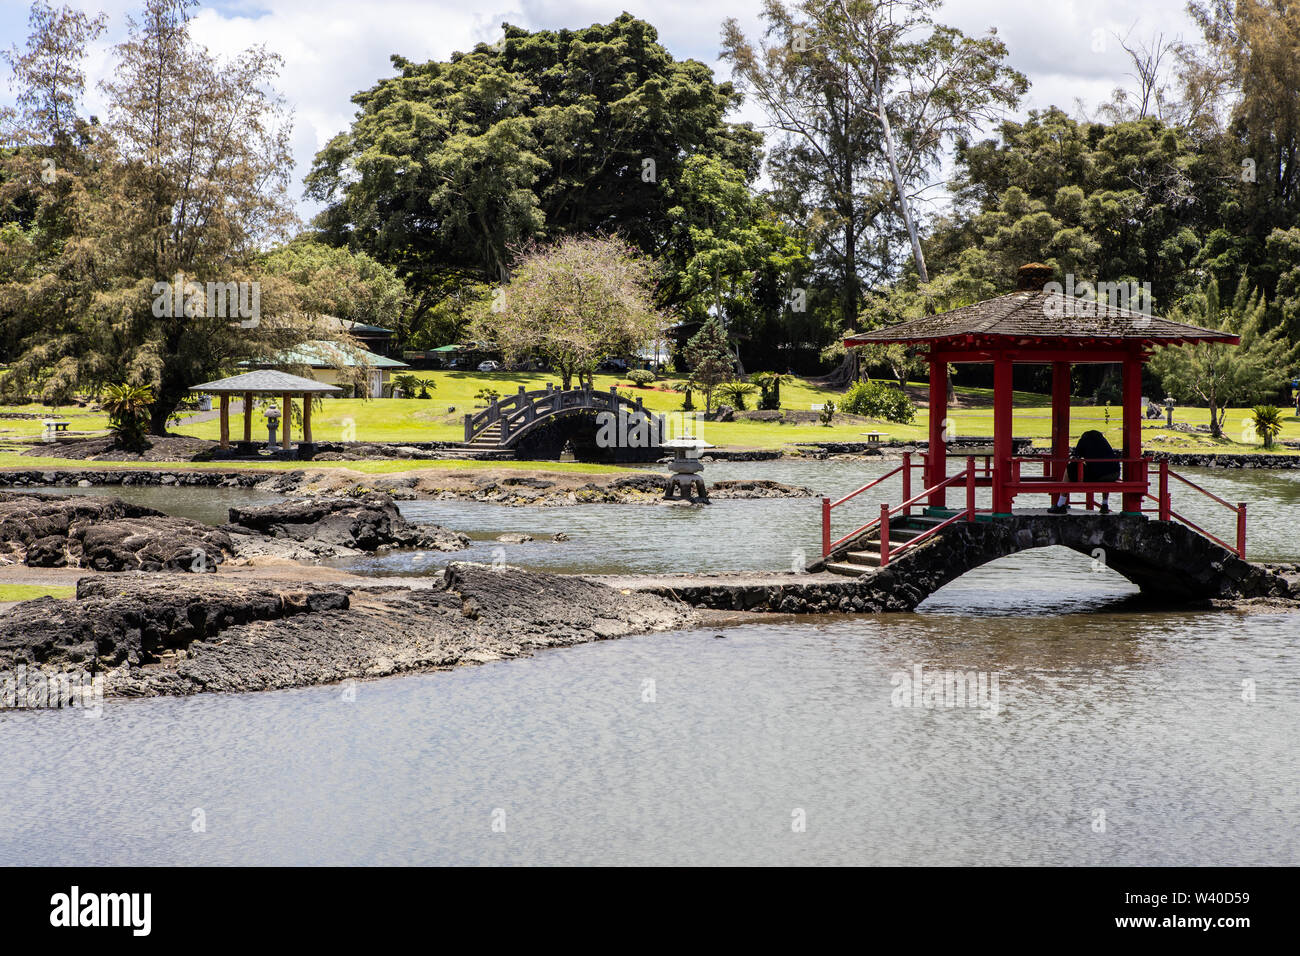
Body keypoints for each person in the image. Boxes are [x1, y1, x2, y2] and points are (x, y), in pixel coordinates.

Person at [1050, 430, 1121, 514]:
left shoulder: (1084, 440)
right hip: (1114, 474)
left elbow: (1075, 458)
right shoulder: (1104, 442)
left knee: (1069, 468)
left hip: (1098, 475)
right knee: (1105, 473)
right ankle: (1105, 504)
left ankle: (1060, 504)